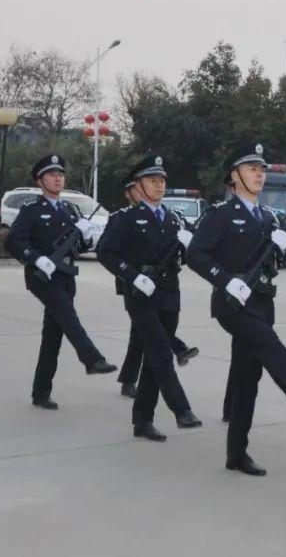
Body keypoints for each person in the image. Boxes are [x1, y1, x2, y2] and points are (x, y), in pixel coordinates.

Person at [186, 141, 286, 476]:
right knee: (272, 349)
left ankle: (236, 453)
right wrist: (226, 281)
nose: (259, 174)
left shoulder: (268, 218)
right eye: (251, 169)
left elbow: (279, 262)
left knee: (248, 380)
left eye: (261, 169)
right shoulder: (220, 215)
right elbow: (196, 255)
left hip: (261, 304)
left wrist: (283, 248)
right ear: (234, 176)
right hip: (232, 305)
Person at [96, 154, 202, 441]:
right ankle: (182, 410)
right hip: (140, 295)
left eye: (162, 180)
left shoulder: (174, 218)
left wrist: (190, 246)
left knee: (154, 362)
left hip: (169, 294)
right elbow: (106, 252)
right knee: (161, 353)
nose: (159, 185)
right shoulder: (126, 218)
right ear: (138, 185)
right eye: (152, 180)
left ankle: (142, 421)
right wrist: (132, 276)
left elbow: (188, 257)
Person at [5, 153, 116, 409]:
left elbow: (77, 247)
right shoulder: (32, 210)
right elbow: (13, 241)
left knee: (52, 335)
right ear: (40, 181)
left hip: (66, 276)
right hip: (42, 277)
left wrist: (84, 237)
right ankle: (92, 359)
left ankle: (40, 393)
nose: (57, 178)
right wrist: (36, 259)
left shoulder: (69, 210)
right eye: (51, 175)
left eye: (60, 174)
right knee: (67, 316)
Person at [111, 173, 198, 399]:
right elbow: (113, 252)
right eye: (135, 189)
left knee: (141, 335)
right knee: (145, 332)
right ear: (129, 193)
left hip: (163, 284)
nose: (140, 192)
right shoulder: (123, 217)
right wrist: (132, 277)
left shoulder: (166, 217)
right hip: (135, 282)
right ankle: (177, 350)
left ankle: (130, 380)